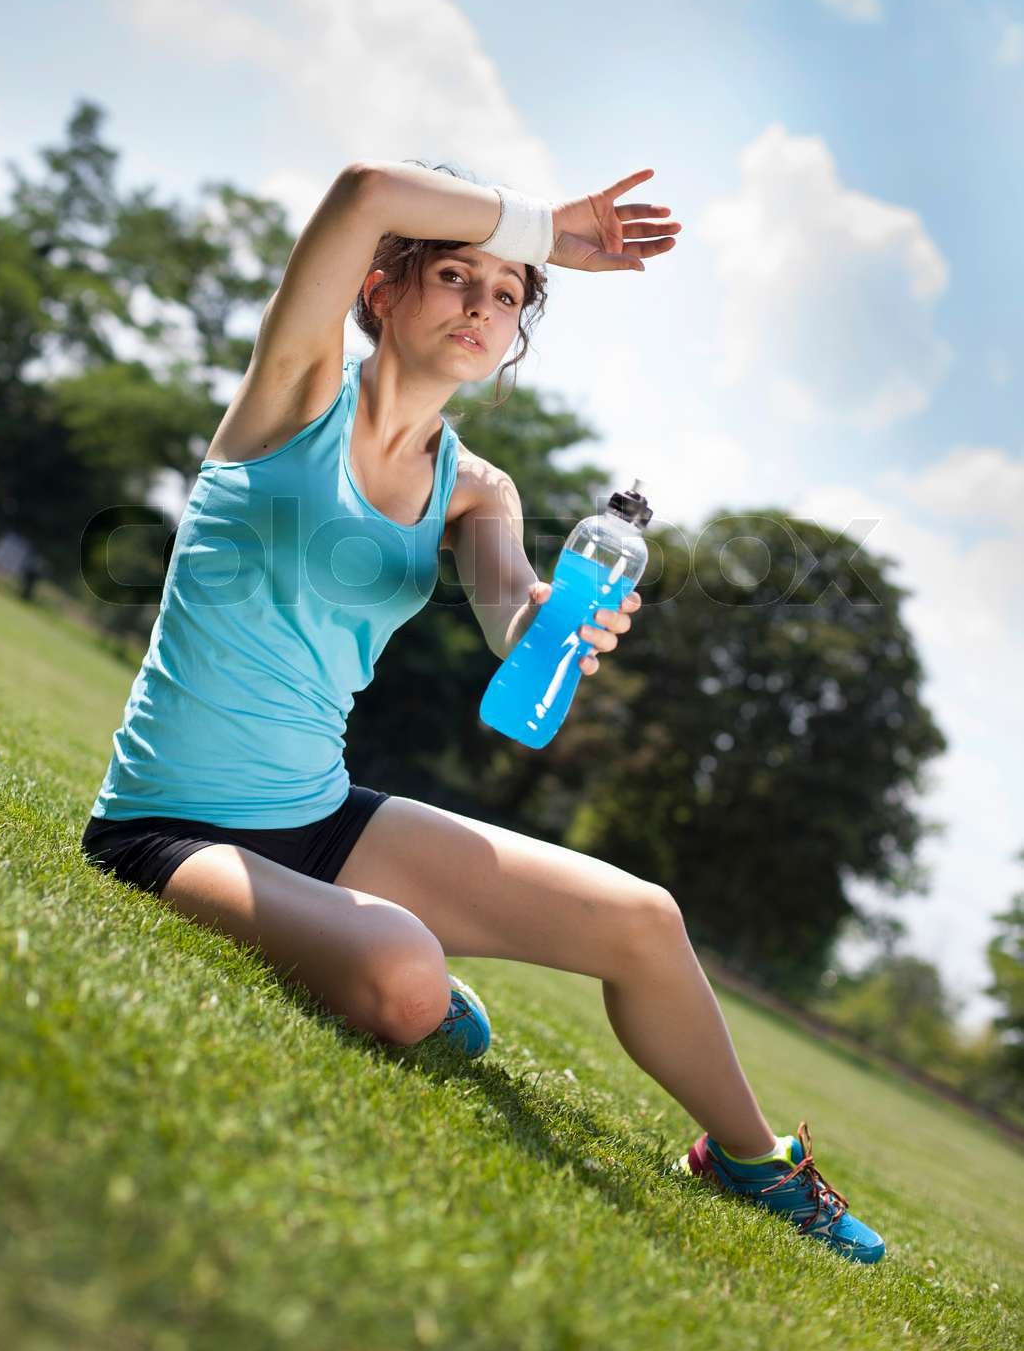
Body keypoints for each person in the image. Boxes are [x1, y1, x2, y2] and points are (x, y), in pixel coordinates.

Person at [81, 159, 884, 1264]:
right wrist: (547, 231)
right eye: (454, 275)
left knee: (643, 918)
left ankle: (751, 1162)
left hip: (322, 816)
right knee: (407, 984)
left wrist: (561, 626)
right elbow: (364, 189)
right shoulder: (295, 388)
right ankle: (387, 955)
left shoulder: (477, 486)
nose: (482, 305)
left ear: (513, 337)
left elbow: (513, 616)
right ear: (379, 291)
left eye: (508, 294)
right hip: (169, 826)